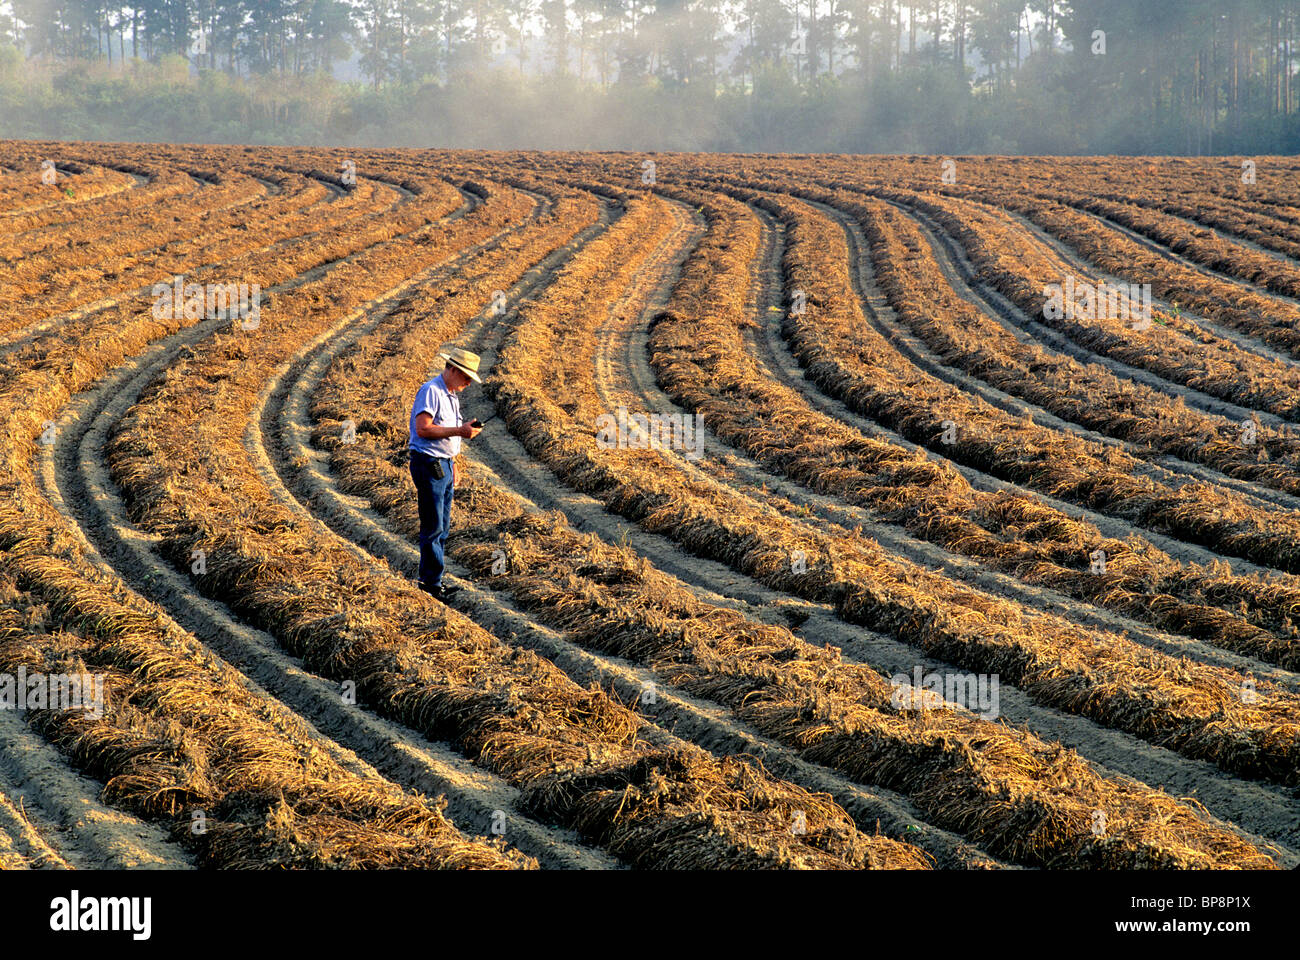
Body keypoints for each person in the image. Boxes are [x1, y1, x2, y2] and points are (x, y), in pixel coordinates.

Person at [407, 346, 485, 600]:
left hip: (444, 465)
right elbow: (423, 429)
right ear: (452, 369)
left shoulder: (450, 394)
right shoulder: (431, 391)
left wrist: (454, 463)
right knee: (433, 526)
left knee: (443, 525)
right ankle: (430, 584)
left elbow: (446, 436)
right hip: (429, 463)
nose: (468, 383)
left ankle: (434, 580)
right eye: (465, 377)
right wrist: (460, 431)